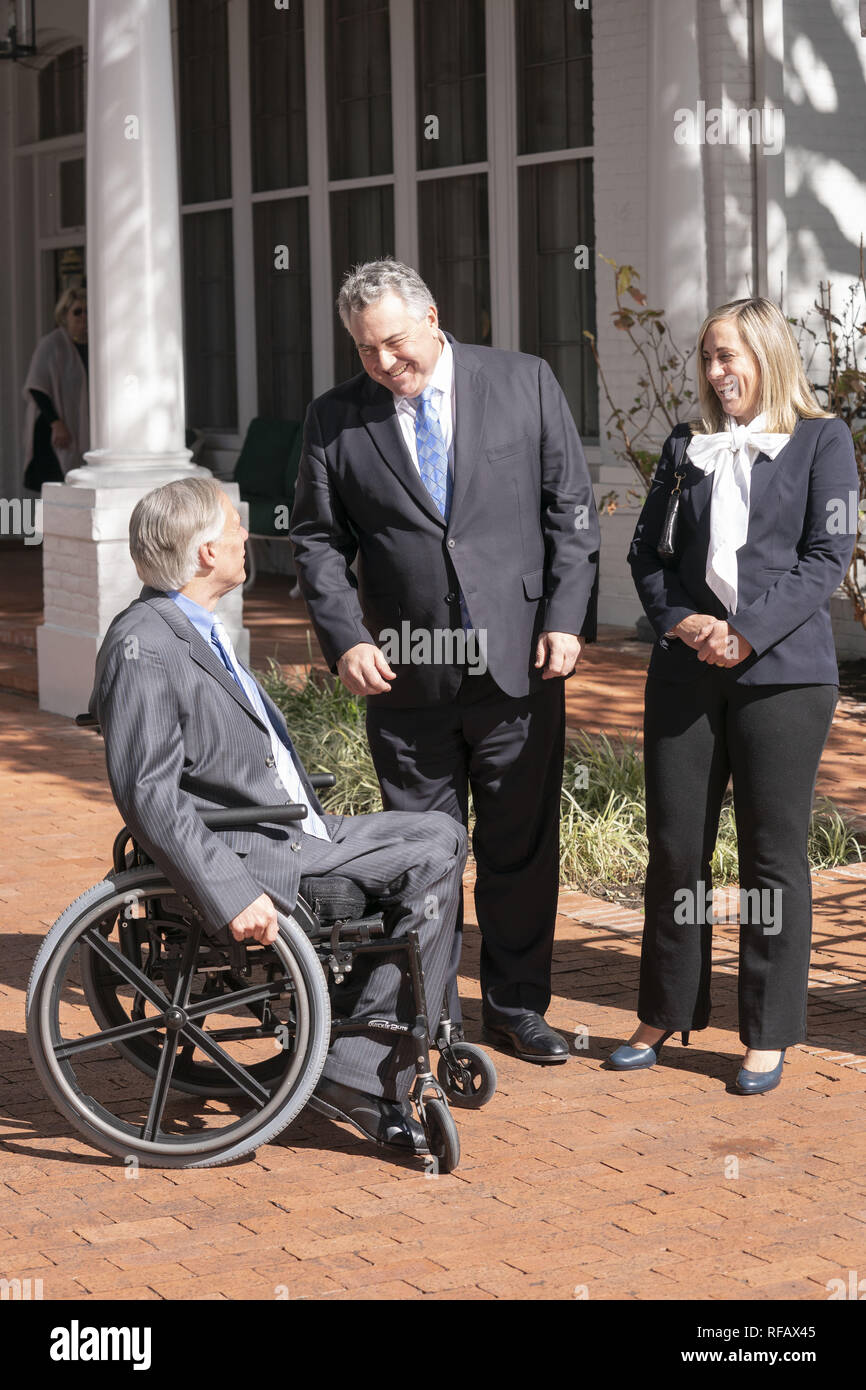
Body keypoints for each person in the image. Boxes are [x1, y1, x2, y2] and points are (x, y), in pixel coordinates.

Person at [89, 476, 468, 1153]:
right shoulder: (143, 644)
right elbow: (148, 793)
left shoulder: (193, 629)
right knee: (433, 852)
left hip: (287, 829)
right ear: (205, 552)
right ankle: (361, 1062)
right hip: (254, 853)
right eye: (234, 527)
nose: (245, 536)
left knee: (438, 830)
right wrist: (229, 891)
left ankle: (356, 1047)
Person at [290, 258, 600, 1065]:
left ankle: (516, 1007)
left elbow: (569, 511)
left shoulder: (525, 382)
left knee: (517, 848)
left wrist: (567, 619)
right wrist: (346, 637)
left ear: (431, 318)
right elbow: (318, 540)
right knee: (421, 856)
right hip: (405, 675)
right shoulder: (334, 419)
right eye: (365, 351)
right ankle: (429, 1015)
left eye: (394, 343)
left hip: (517, 664)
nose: (385, 364)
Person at [611, 296, 858, 1094]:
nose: (718, 373)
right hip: (686, 668)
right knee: (677, 848)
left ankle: (768, 1030)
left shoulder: (824, 441)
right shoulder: (686, 446)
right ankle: (665, 1008)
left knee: (770, 857)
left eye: (732, 356)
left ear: (769, 357)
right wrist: (680, 620)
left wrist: (746, 632)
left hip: (783, 675)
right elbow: (646, 553)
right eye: (710, 358)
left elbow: (828, 556)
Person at [22, 287, 89, 487]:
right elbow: (36, 386)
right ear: (64, 315)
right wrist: (56, 423)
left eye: (87, 311)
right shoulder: (51, 344)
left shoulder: (91, 345)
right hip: (53, 428)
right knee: (55, 487)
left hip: (79, 425)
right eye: (77, 311)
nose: (83, 316)